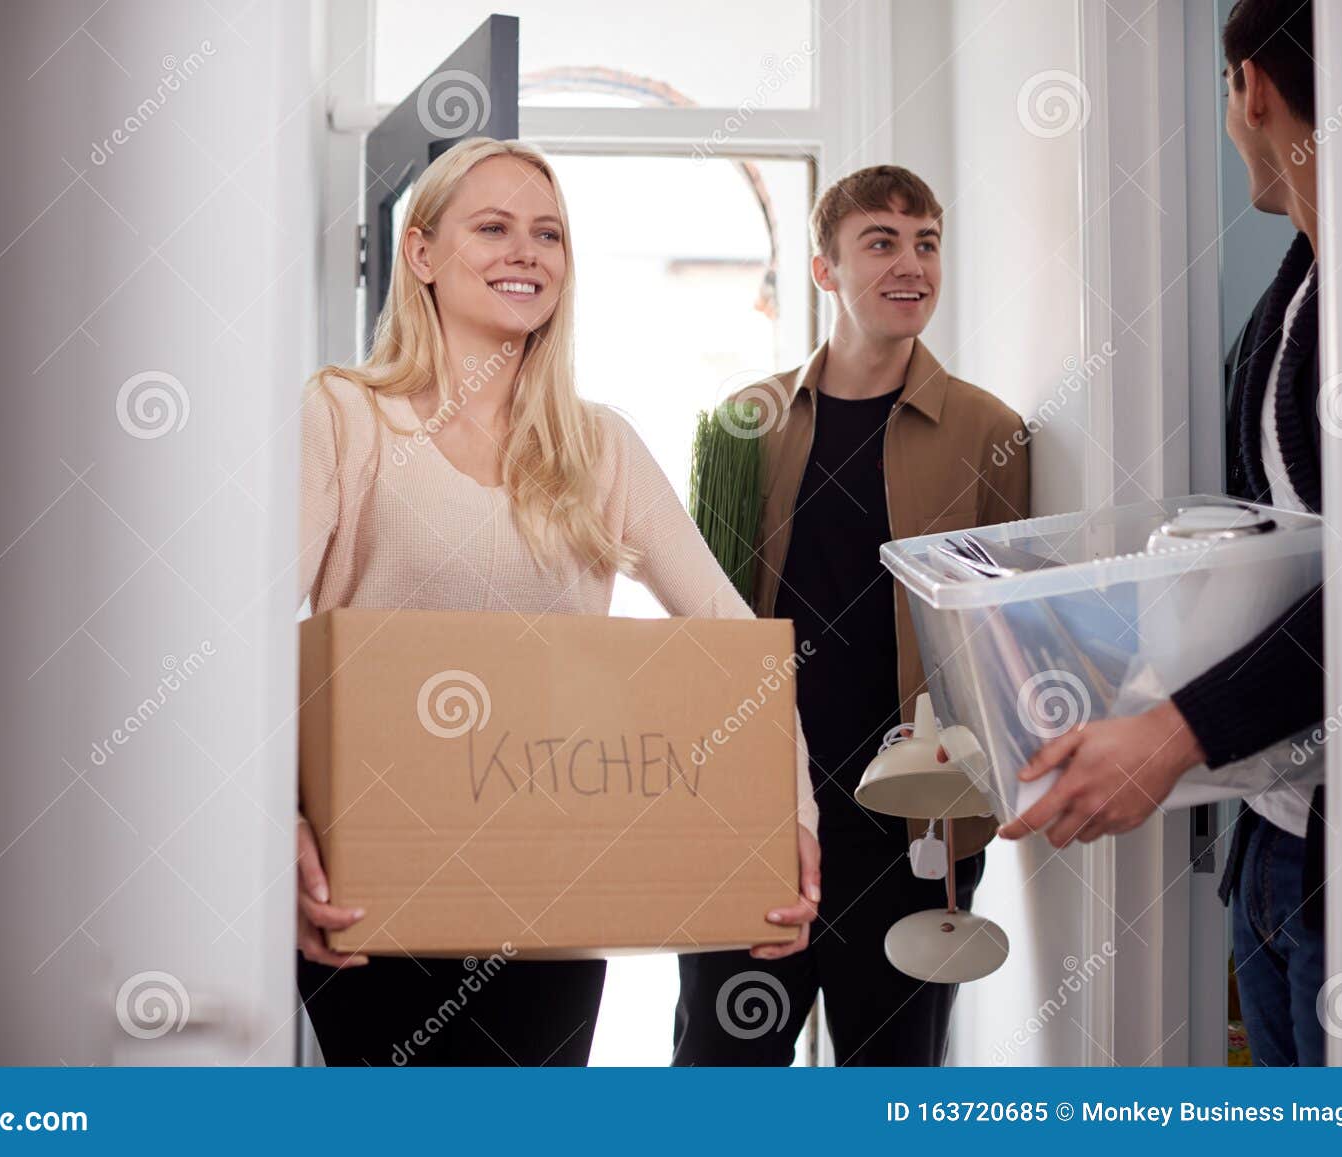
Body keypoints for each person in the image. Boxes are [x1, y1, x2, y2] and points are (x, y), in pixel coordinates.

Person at [295, 136, 821, 1066]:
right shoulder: (345, 414)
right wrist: (276, 828)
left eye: (548, 234)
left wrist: (792, 816)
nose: (525, 253)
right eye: (492, 228)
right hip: (371, 877)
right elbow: (251, 638)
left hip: (551, 888)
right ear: (421, 252)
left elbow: (731, 640)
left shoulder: (598, 446)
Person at [996, 0, 1329, 1066]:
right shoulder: (1290, 298)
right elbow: (1280, 555)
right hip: (1273, 835)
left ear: (1251, 90)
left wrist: (1170, 735)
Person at [673, 165, 1029, 1066]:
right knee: (719, 1067)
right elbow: (703, 629)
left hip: (911, 823)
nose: (912, 264)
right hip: (756, 810)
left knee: (892, 1078)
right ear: (824, 269)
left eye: (926, 243)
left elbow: (1007, 633)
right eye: (881, 242)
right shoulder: (745, 422)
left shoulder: (988, 432)